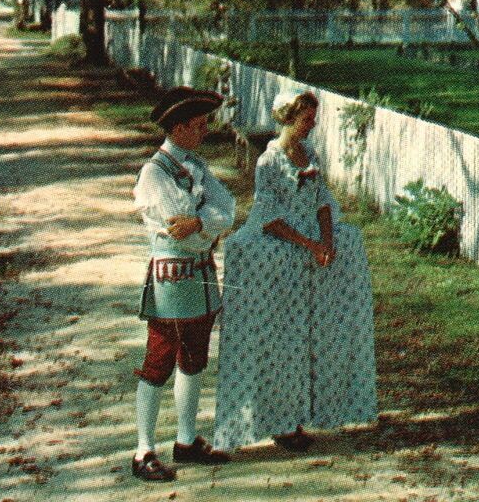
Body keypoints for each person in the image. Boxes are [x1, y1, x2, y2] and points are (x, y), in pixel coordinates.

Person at [212, 88, 378, 453]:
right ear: (289, 118)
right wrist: (309, 244)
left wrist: (328, 240)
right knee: (280, 338)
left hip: (310, 240)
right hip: (279, 245)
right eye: (307, 118)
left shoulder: (310, 154)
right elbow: (269, 218)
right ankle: (279, 420)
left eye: (314, 118)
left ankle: (311, 411)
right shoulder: (268, 162)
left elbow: (321, 201)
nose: (313, 124)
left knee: (311, 332)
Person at [130, 86, 236, 482]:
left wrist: (203, 222)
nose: (205, 131)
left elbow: (227, 208)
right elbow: (178, 227)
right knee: (159, 359)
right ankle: (143, 450)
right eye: (199, 125)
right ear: (177, 127)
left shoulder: (198, 166)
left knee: (194, 357)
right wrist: (203, 224)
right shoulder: (155, 172)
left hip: (201, 274)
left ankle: (186, 440)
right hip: (172, 276)